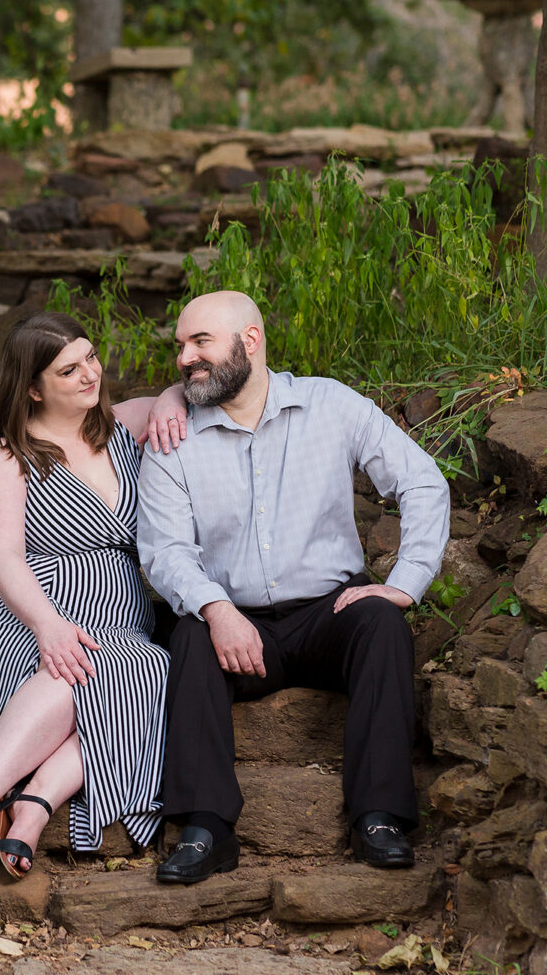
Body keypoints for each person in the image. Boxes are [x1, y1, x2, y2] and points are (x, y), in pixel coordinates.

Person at [136, 290, 449, 884]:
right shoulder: (174, 440)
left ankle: (377, 818)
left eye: (199, 341)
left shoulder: (330, 404)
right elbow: (165, 550)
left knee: (383, 624)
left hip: (328, 612)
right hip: (237, 623)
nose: (184, 358)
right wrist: (215, 607)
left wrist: (405, 584)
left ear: (249, 341)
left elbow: (423, 483)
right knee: (190, 637)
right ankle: (206, 829)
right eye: (180, 346)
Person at [0, 311, 187, 891]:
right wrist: (49, 626)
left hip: (114, 614)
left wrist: (176, 395)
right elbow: (2, 558)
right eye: (68, 369)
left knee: (150, 677)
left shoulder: (121, 426)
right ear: (32, 388)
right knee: (87, 665)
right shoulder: (3, 456)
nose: (90, 374)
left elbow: (173, 395)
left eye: (90, 357)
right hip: (7, 610)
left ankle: (33, 801)